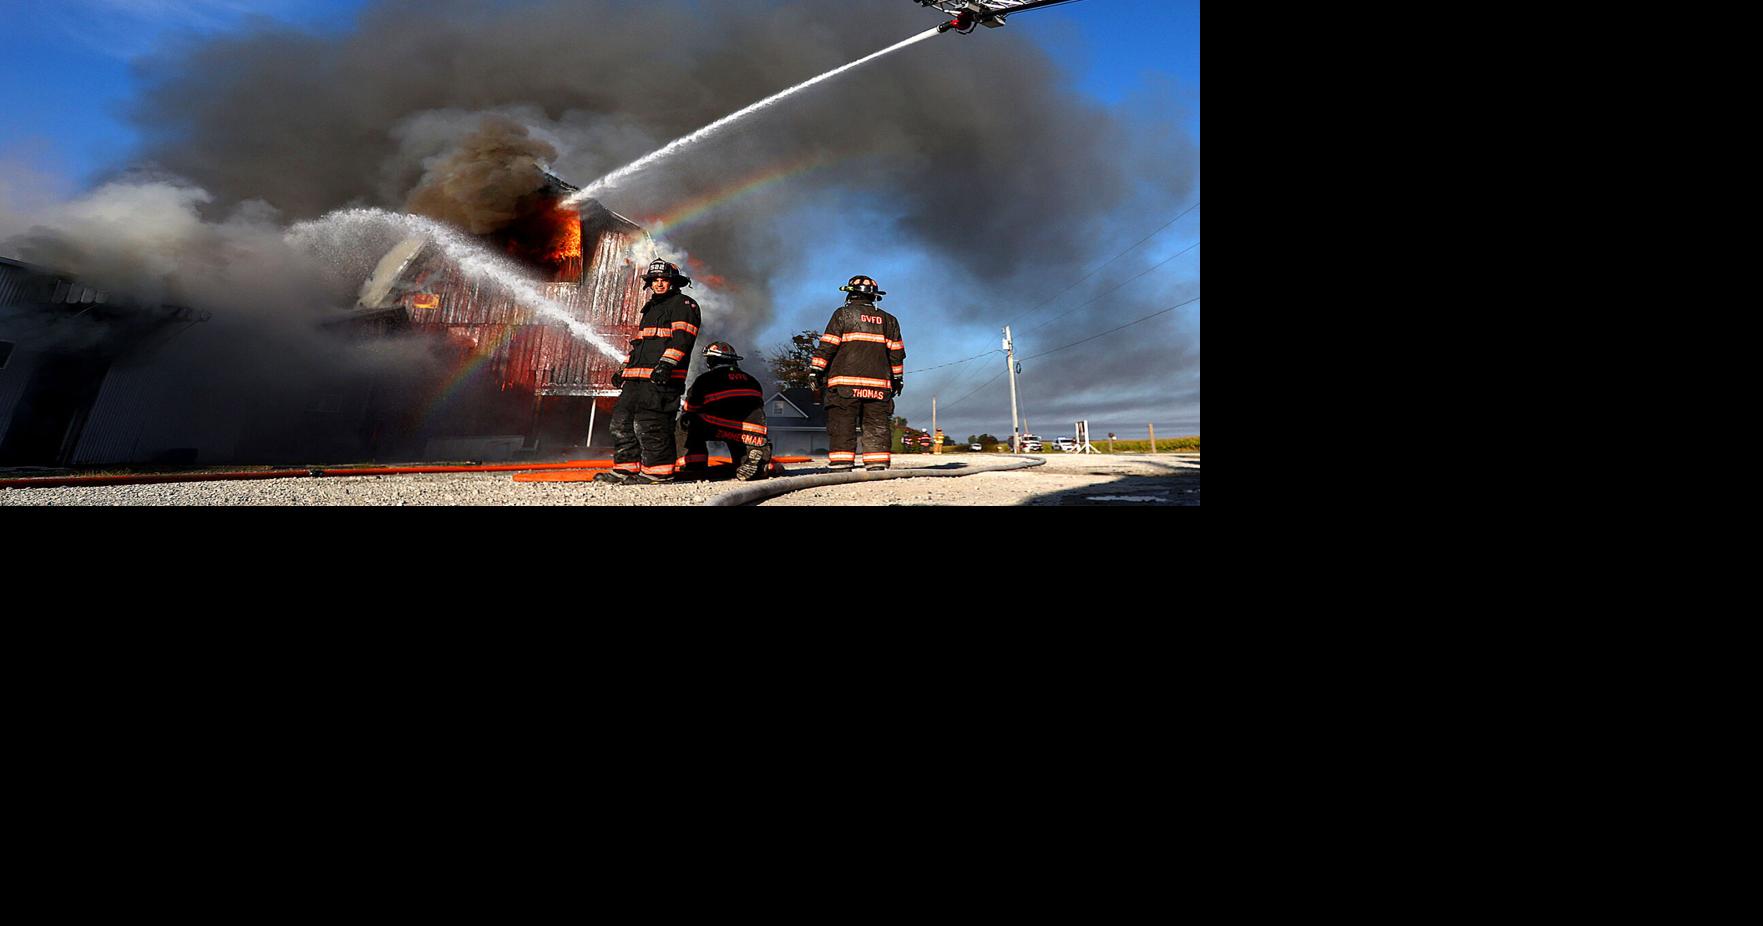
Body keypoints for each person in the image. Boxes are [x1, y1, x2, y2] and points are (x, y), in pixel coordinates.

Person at [597, 259, 700, 485]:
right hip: (636, 379)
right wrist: (623, 369)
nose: (659, 284)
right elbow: (640, 344)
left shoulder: (684, 305)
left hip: (662, 379)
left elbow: (683, 339)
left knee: (651, 423)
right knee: (621, 421)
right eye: (655, 280)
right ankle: (626, 469)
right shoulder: (651, 308)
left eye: (664, 280)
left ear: (673, 283)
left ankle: (658, 472)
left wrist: (666, 365)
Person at [809, 275, 905, 472]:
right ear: (874, 297)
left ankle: (842, 465)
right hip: (878, 388)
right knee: (876, 425)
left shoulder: (842, 315)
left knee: (842, 424)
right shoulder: (889, 320)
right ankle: (877, 464)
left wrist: (816, 371)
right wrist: (897, 380)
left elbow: (828, 345)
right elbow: (896, 355)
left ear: (850, 294)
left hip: (844, 386)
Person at [676, 342, 772, 481]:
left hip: (720, 427)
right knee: (741, 449)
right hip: (752, 432)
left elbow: (691, 407)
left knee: (685, 421)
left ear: (711, 361)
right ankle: (751, 461)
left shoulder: (706, 380)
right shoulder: (752, 380)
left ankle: (693, 466)